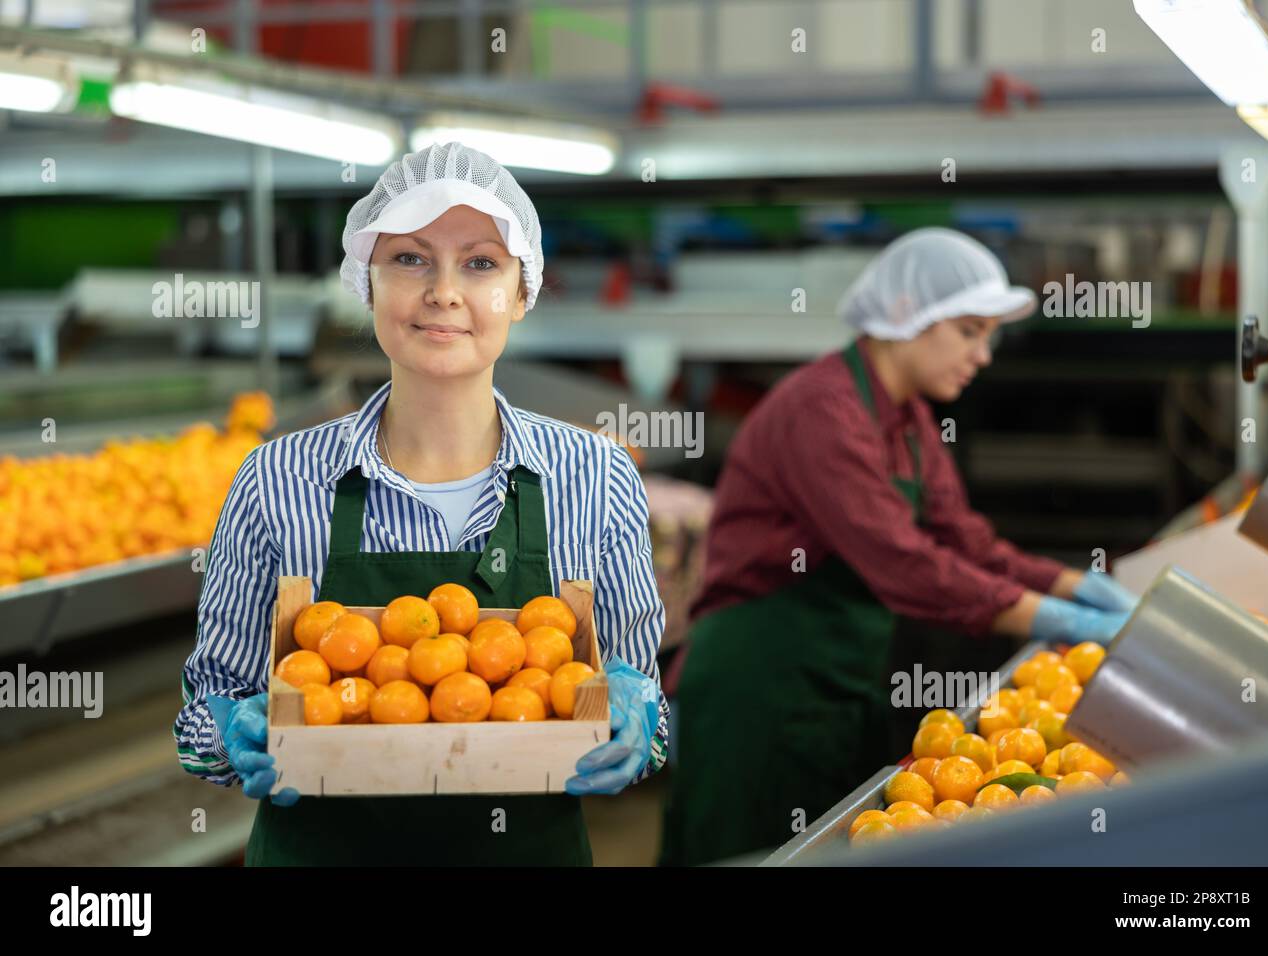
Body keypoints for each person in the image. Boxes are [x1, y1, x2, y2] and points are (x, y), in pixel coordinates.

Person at [174, 142, 669, 866]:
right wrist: (229, 734)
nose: (443, 291)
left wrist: (635, 722)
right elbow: (202, 711)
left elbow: (645, 717)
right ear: (366, 283)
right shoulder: (274, 480)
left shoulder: (594, 477)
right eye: (409, 259)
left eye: (480, 263)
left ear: (522, 290)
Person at [658, 227, 1137, 867]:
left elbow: (965, 541)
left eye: (989, 336)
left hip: (838, 685)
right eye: (970, 331)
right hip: (760, 688)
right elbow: (904, 564)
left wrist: (1077, 587)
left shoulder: (906, 418)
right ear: (908, 315)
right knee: (750, 854)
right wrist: (1058, 620)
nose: (984, 355)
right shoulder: (822, 411)